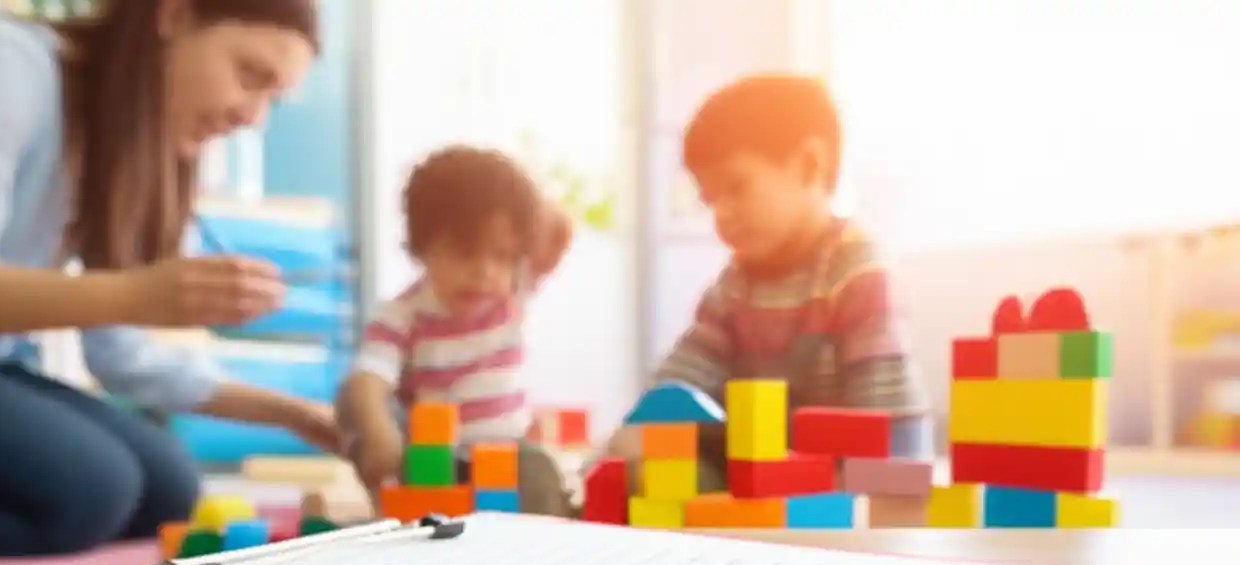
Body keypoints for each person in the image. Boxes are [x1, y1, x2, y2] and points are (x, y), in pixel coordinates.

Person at [0, 0, 340, 557]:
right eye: (250, 76)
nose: (254, 118)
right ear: (173, 16)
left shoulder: (116, 144)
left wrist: (294, 414)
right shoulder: (4, 65)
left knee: (168, 487)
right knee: (90, 488)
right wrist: (139, 293)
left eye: (272, 100)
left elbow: (121, 355)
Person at [599, 74, 933, 493]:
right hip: (759, 478)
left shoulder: (854, 272)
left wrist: (876, 509)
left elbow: (890, 426)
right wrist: (631, 438)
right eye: (709, 199)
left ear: (810, 165)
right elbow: (681, 381)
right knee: (653, 471)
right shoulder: (733, 289)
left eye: (736, 187)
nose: (721, 213)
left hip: (847, 486)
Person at [337, 145, 575, 516]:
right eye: (465, 252)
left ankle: (541, 542)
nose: (484, 271)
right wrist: (378, 429)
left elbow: (559, 228)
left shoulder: (514, 291)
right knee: (352, 405)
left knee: (539, 469)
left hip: (507, 451)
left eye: (501, 256)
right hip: (440, 462)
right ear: (422, 245)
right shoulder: (403, 315)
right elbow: (369, 378)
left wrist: (518, 201)